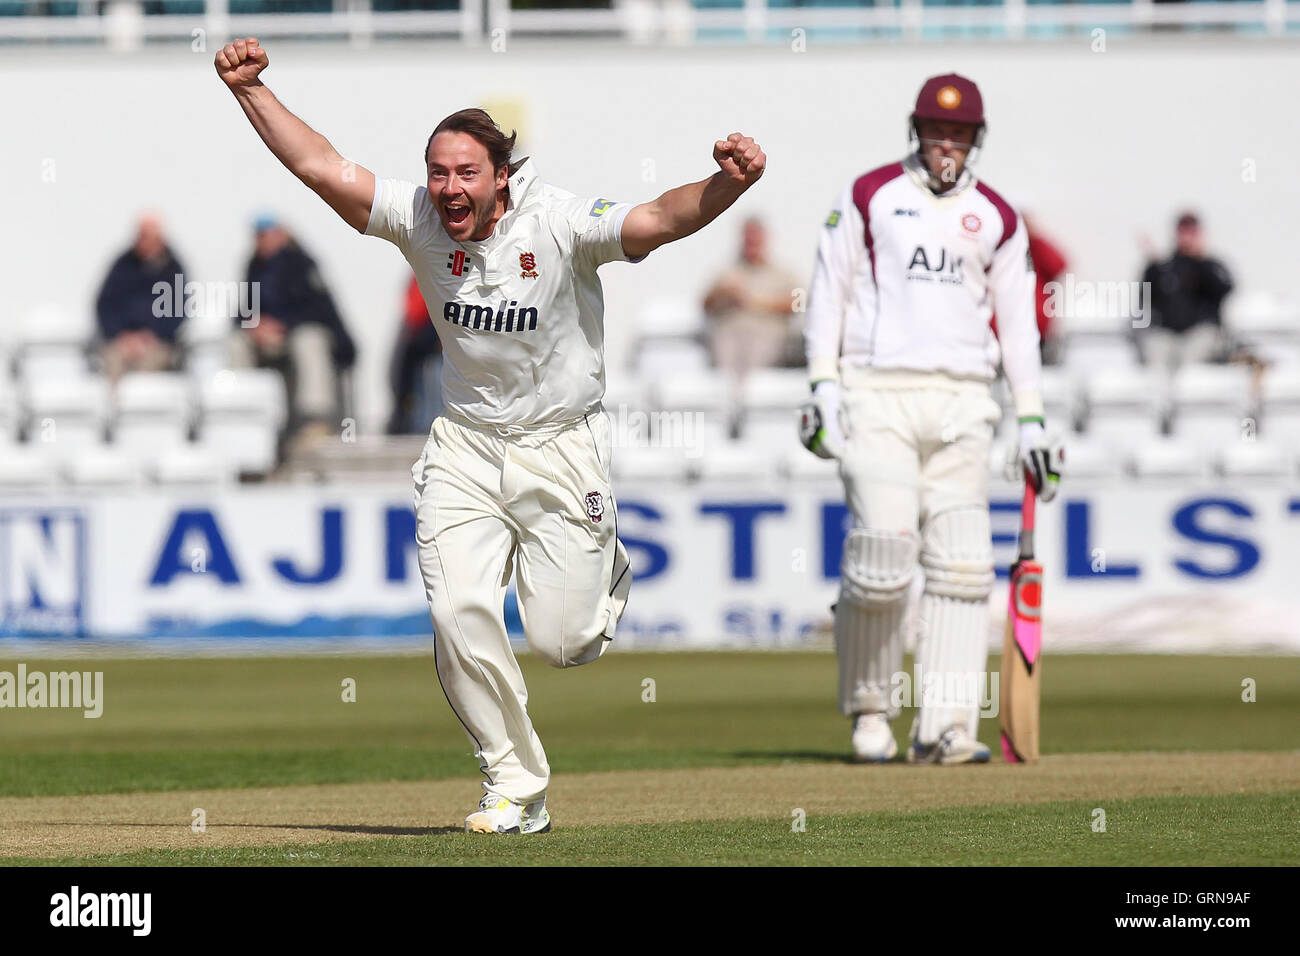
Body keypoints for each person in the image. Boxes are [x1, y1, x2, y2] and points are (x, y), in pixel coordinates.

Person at [216, 37, 765, 832]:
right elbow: (323, 167)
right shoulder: (418, 219)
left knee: (566, 641)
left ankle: (603, 566)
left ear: (502, 176)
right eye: (438, 172)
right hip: (466, 446)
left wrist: (727, 183)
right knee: (458, 610)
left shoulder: (561, 221)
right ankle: (514, 783)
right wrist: (250, 90)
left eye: (466, 172)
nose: (447, 188)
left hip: (560, 443)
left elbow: (656, 218)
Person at [800, 73, 1062, 765]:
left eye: (960, 133)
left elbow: (1018, 324)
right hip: (874, 393)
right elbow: (829, 291)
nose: (947, 144)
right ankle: (870, 711)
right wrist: (823, 384)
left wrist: (1031, 418)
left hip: (965, 402)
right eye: (936, 131)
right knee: (882, 553)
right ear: (917, 132)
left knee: (963, 567)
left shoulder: (1000, 217)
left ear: (976, 139)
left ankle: (946, 726)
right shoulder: (869, 195)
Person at [231, 215, 357, 449]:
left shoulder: (303, 264)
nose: (261, 241)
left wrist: (283, 325)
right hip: (267, 341)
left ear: (281, 235)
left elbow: (319, 311)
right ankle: (243, 414)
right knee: (237, 342)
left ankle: (315, 419)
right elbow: (241, 311)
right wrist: (254, 325)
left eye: (265, 235)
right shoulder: (253, 267)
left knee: (309, 340)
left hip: (296, 335)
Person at [702, 218, 800, 430]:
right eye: (748, 240)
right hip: (730, 334)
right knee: (726, 350)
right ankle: (729, 408)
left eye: (756, 239)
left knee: (756, 353)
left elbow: (799, 303)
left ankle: (747, 407)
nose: (752, 245)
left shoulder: (781, 274)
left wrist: (755, 301)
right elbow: (705, 304)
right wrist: (723, 293)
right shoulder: (729, 271)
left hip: (766, 335)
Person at [1137, 212, 1234, 373]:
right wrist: (1154, 265)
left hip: (1200, 333)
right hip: (1167, 335)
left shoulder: (1211, 265)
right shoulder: (1164, 267)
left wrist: (1201, 259)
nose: (1187, 237)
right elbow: (1145, 297)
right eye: (1183, 232)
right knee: (1156, 358)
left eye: (1191, 232)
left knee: (1190, 361)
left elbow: (1225, 288)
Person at [95, 214, 187, 382]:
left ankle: (145, 407)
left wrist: (151, 335)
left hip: (157, 342)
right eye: (142, 235)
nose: (145, 241)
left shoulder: (173, 269)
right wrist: (121, 335)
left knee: (146, 373)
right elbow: (104, 305)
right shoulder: (122, 266)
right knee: (112, 365)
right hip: (121, 341)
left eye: (150, 236)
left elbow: (179, 310)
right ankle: (113, 407)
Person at [386, 274, 445, 435]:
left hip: (434, 336)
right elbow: (415, 308)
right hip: (422, 338)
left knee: (436, 389)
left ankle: (431, 428)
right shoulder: (423, 268)